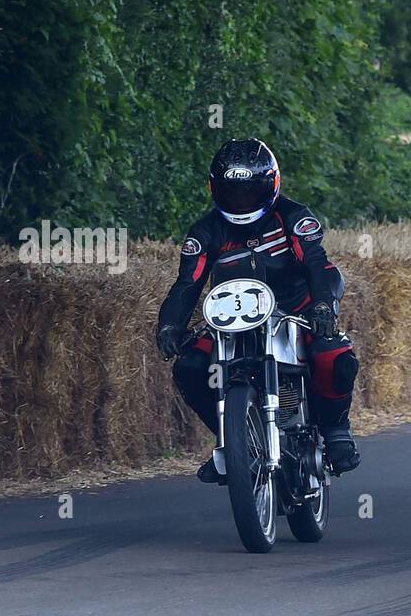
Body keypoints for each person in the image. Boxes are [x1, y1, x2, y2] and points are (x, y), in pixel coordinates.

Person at [155, 138, 361, 483]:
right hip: (232, 320)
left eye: (250, 191)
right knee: (190, 367)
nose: (241, 200)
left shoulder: (295, 218)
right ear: (214, 189)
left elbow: (315, 263)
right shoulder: (205, 232)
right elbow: (187, 283)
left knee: (335, 355)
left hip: (296, 307)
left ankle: (337, 430)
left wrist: (323, 306)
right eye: (233, 192)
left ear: (271, 185)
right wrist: (168, 325)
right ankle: (233, 441)